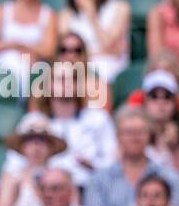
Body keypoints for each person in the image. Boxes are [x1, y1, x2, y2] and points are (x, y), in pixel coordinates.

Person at [84, 106, 179, 206]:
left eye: (140, 132)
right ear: (117, 136)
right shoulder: (98, 179)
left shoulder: (170, 177)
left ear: (149, 135)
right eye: (128, 132)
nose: (135, 137)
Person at [30, 43, 117, 185]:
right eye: (61, 79)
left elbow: (112, 161)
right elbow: (15, 165)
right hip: (45, 189)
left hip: (90, 185)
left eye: (74, 79)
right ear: (48, 85)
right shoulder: (34, 122)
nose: (68, 83)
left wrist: (93, 165)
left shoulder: (98, 118)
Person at [60, 0, 130, 88]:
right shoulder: (66, 15)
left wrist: (91, 14)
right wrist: (98, 53)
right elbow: (67, 53)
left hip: (110, 68)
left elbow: (110, 46)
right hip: (77, 70)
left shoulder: (120, 7)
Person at [0, 112, 66, 206]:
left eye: (43, 140)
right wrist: (15, 192)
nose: (36, 146)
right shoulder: (12, 177)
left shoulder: (62, 177)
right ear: (22, 146)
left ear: (51, 146)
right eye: (30, 140)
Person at [136, 68, 179, 189]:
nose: (161, 102)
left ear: (175, 102)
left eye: (167, 96)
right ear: (145, 100)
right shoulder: (133, 132)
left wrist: (171, 150)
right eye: (154, 96)